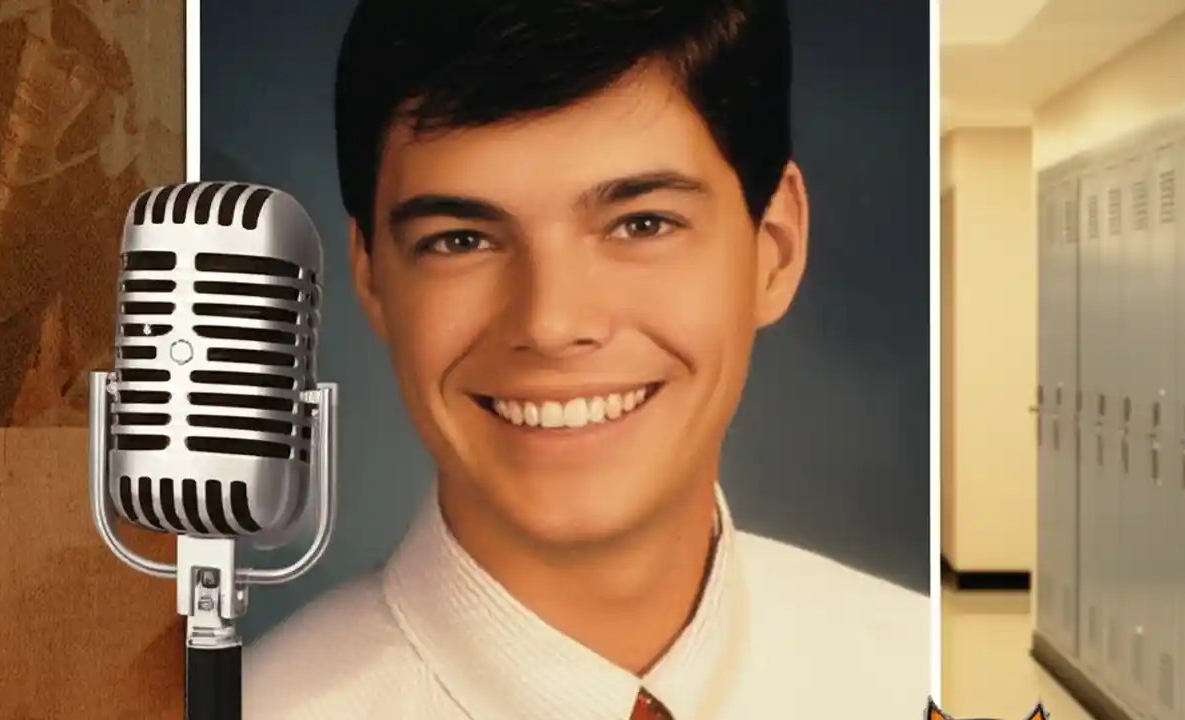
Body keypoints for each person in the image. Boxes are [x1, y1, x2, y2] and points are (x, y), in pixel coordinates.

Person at [246, 0, 929, 717]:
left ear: (776, 248)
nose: (550, 323)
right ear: (371, 275)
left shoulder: (916, 676)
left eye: (642, 224)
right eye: (460, 240)